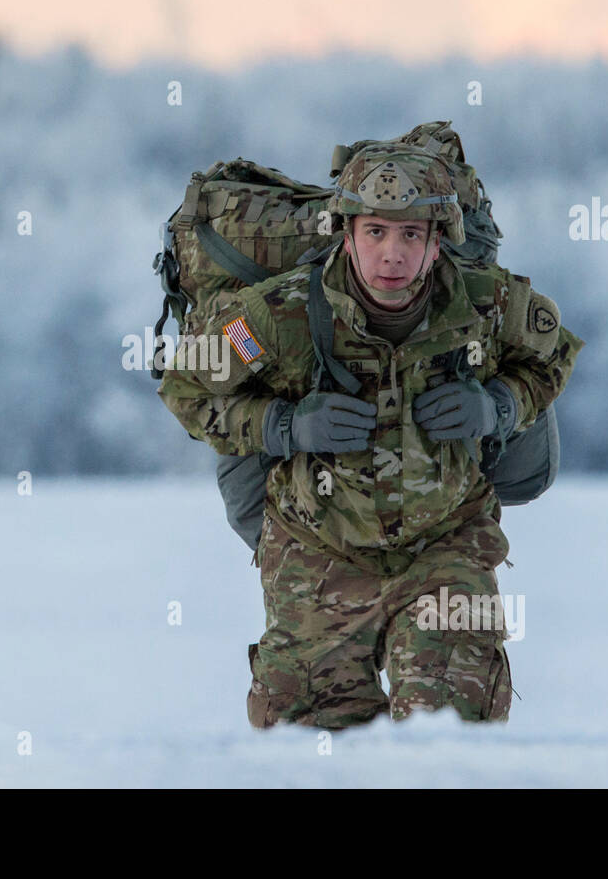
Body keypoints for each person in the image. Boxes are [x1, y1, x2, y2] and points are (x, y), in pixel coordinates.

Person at [158, 143, 584, 728]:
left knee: (449, 736)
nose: (392, 254)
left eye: (411, 234)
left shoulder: (487, 303)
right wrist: (284, 426)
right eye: (376, 231)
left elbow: (552, 356)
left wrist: (498, 407)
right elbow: (187, 388)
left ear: (438, 242)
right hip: (317, 551)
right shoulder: (279, 316)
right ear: (346, 234)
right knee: (307, 748)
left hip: (445, 545)